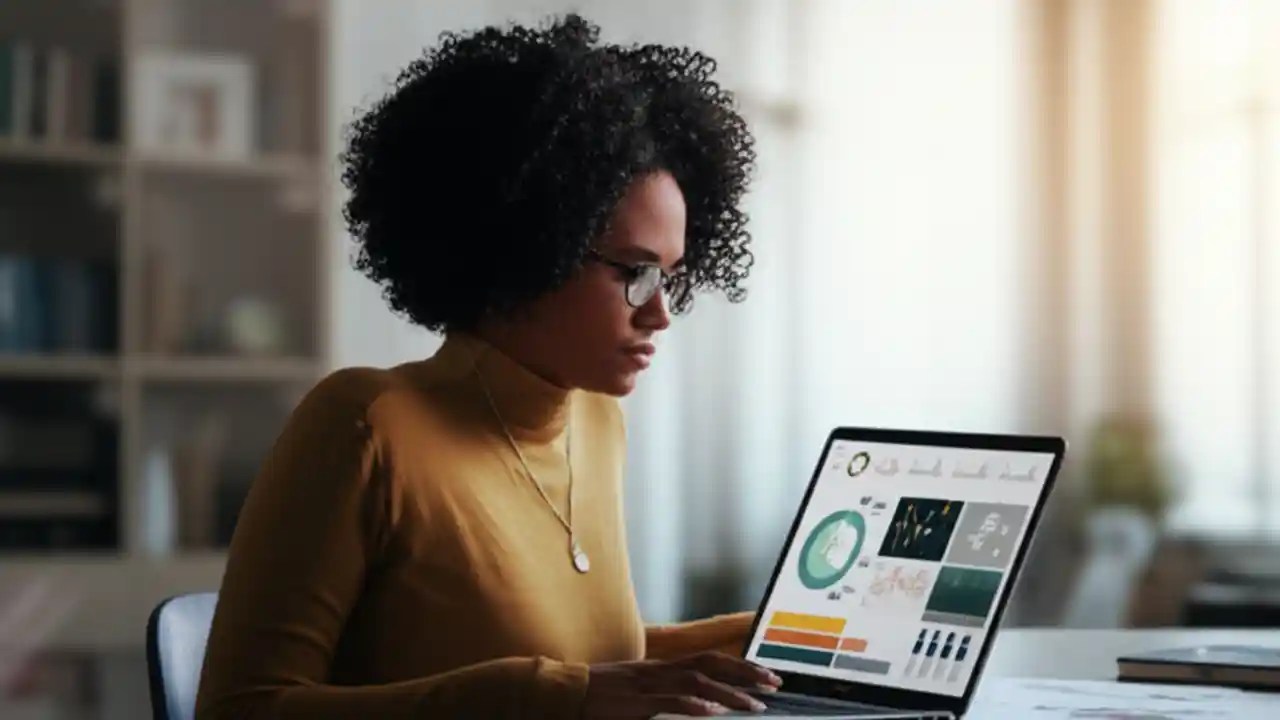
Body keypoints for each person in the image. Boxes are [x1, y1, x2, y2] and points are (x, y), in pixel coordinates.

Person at [196, 13, 779, 720]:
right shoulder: (364, 425)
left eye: (670, 278)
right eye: (634, 272)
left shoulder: (596, 422)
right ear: (528, 246)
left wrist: (784, 634)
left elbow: (586, 662)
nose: (659, 313)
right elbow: (240, 708)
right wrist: (548, 694)